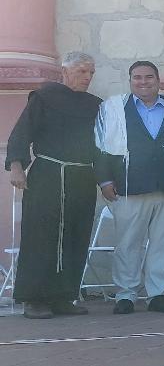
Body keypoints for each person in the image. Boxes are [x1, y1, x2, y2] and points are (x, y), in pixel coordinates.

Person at [5, 52, 101, 319]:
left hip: (82, 178)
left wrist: (106, 179)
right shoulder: (44, 98)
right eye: (82, 71)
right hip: (48, 174)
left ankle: (63, 296)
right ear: (65, 72)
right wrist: (16, 167)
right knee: (41, 236)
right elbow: (22, 132)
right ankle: (33, 299)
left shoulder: (95, 105)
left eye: (91, 72)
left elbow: (104, 146)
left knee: (75, 235)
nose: (87, 77)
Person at [95, 61, 164, 314]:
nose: (143, 82)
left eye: (149, 77)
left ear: (158, 80)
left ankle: (158, 294)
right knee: (128, 243)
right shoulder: (113, 108)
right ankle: (125, 295)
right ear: (130, 81)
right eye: (137, 77)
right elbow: (99, 147)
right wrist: (105, 180)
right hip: (129, 187)